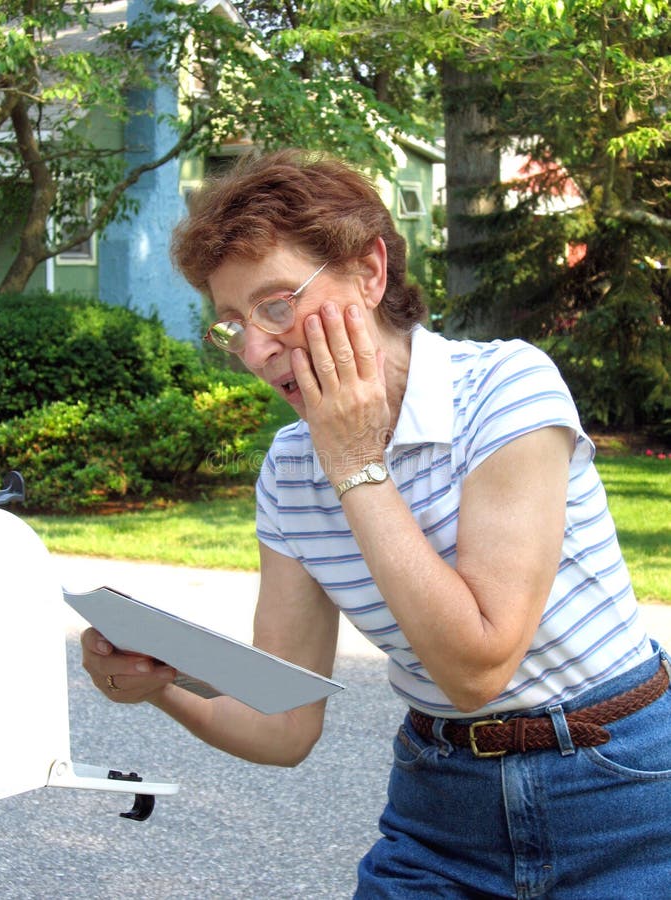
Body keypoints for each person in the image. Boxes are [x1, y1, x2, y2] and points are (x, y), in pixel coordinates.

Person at [82, 149, 671, 897]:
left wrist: (355, 460)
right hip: (441, 811)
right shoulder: (291, 471)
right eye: (231, 323)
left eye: (274, 305)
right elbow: (283, 724)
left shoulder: (505, 389)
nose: (257, 351)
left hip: (624, 792)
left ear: (369, 272)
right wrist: (158, 680)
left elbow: (475, 668)